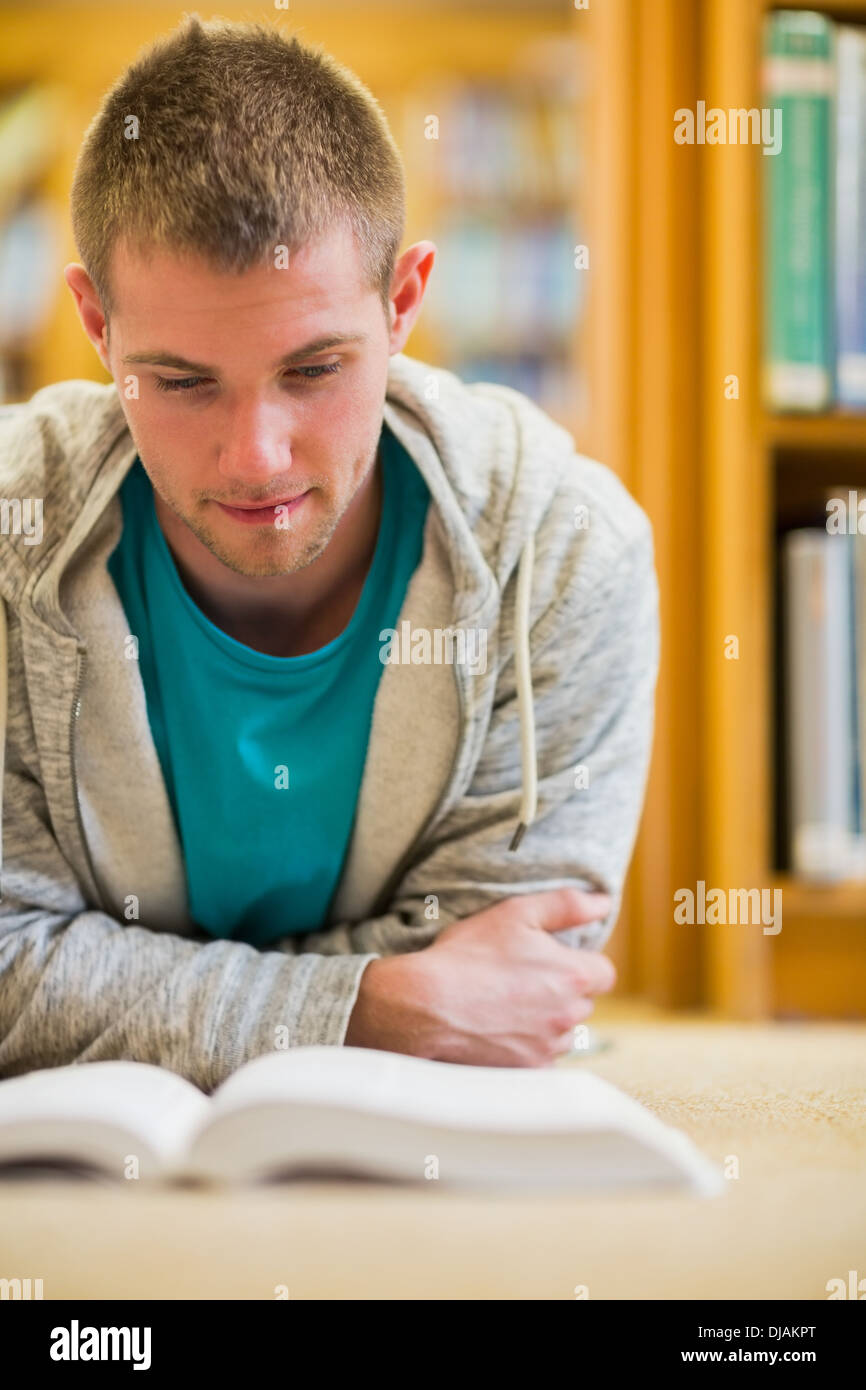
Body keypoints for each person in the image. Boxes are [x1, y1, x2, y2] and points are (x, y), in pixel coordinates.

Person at [0, 16, 659, 1092]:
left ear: (403, 303)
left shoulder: (566, 549)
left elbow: (517, 983)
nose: (255, 457)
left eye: (313, 369)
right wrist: (375, 1002)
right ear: (94, 323)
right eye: (180, 381)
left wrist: (111, 980)